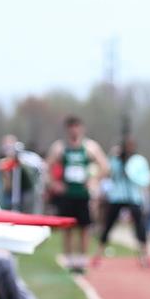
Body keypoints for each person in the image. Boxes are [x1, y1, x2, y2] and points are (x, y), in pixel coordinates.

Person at [46, 116, 110, 272]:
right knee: (67, 227)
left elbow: (105, 166)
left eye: (77, 127)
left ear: (81, 129)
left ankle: (82, 260)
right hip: (67, 193)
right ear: (67, 129)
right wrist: (54, 184)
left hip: (83, 193)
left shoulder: (90, 147)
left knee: (84, 228)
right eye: (71, 127)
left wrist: (94, 180)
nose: (74, 130)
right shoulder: (60, 147)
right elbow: (47, 166)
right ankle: (68, 259)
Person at [98, 137, 150, 264]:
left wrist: (129, 172)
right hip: (117, 196)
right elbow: (109, 173)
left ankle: (145, 254)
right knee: (108, 224)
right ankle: (99, 253)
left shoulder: (139, 161)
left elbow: (144, 180)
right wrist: (113, 157)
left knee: (140, 226)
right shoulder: (117, 160)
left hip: (134, 197)